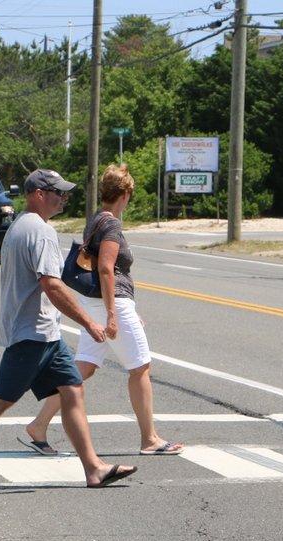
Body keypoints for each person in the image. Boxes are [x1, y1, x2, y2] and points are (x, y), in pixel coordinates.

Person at [0, 168, 137, 494]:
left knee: (72, 390)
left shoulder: (20, 226)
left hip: (45, 333)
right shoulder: (40, 231)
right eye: (58, 192)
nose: (64, 197)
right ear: (38, 194)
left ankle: (93, 468)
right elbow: (52, 285)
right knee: (0, 399)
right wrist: (88, 322)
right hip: (32, 334)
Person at [22, 164, 184, 456]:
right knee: (140, 368)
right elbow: (107, 270)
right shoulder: (111, 225)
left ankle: (39, 424)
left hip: (95, 304)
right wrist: (114, 314)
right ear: (124, 195)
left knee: (82, 368)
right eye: (129, 194)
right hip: (111, 305)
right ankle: (150, 439)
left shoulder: (95, 220)